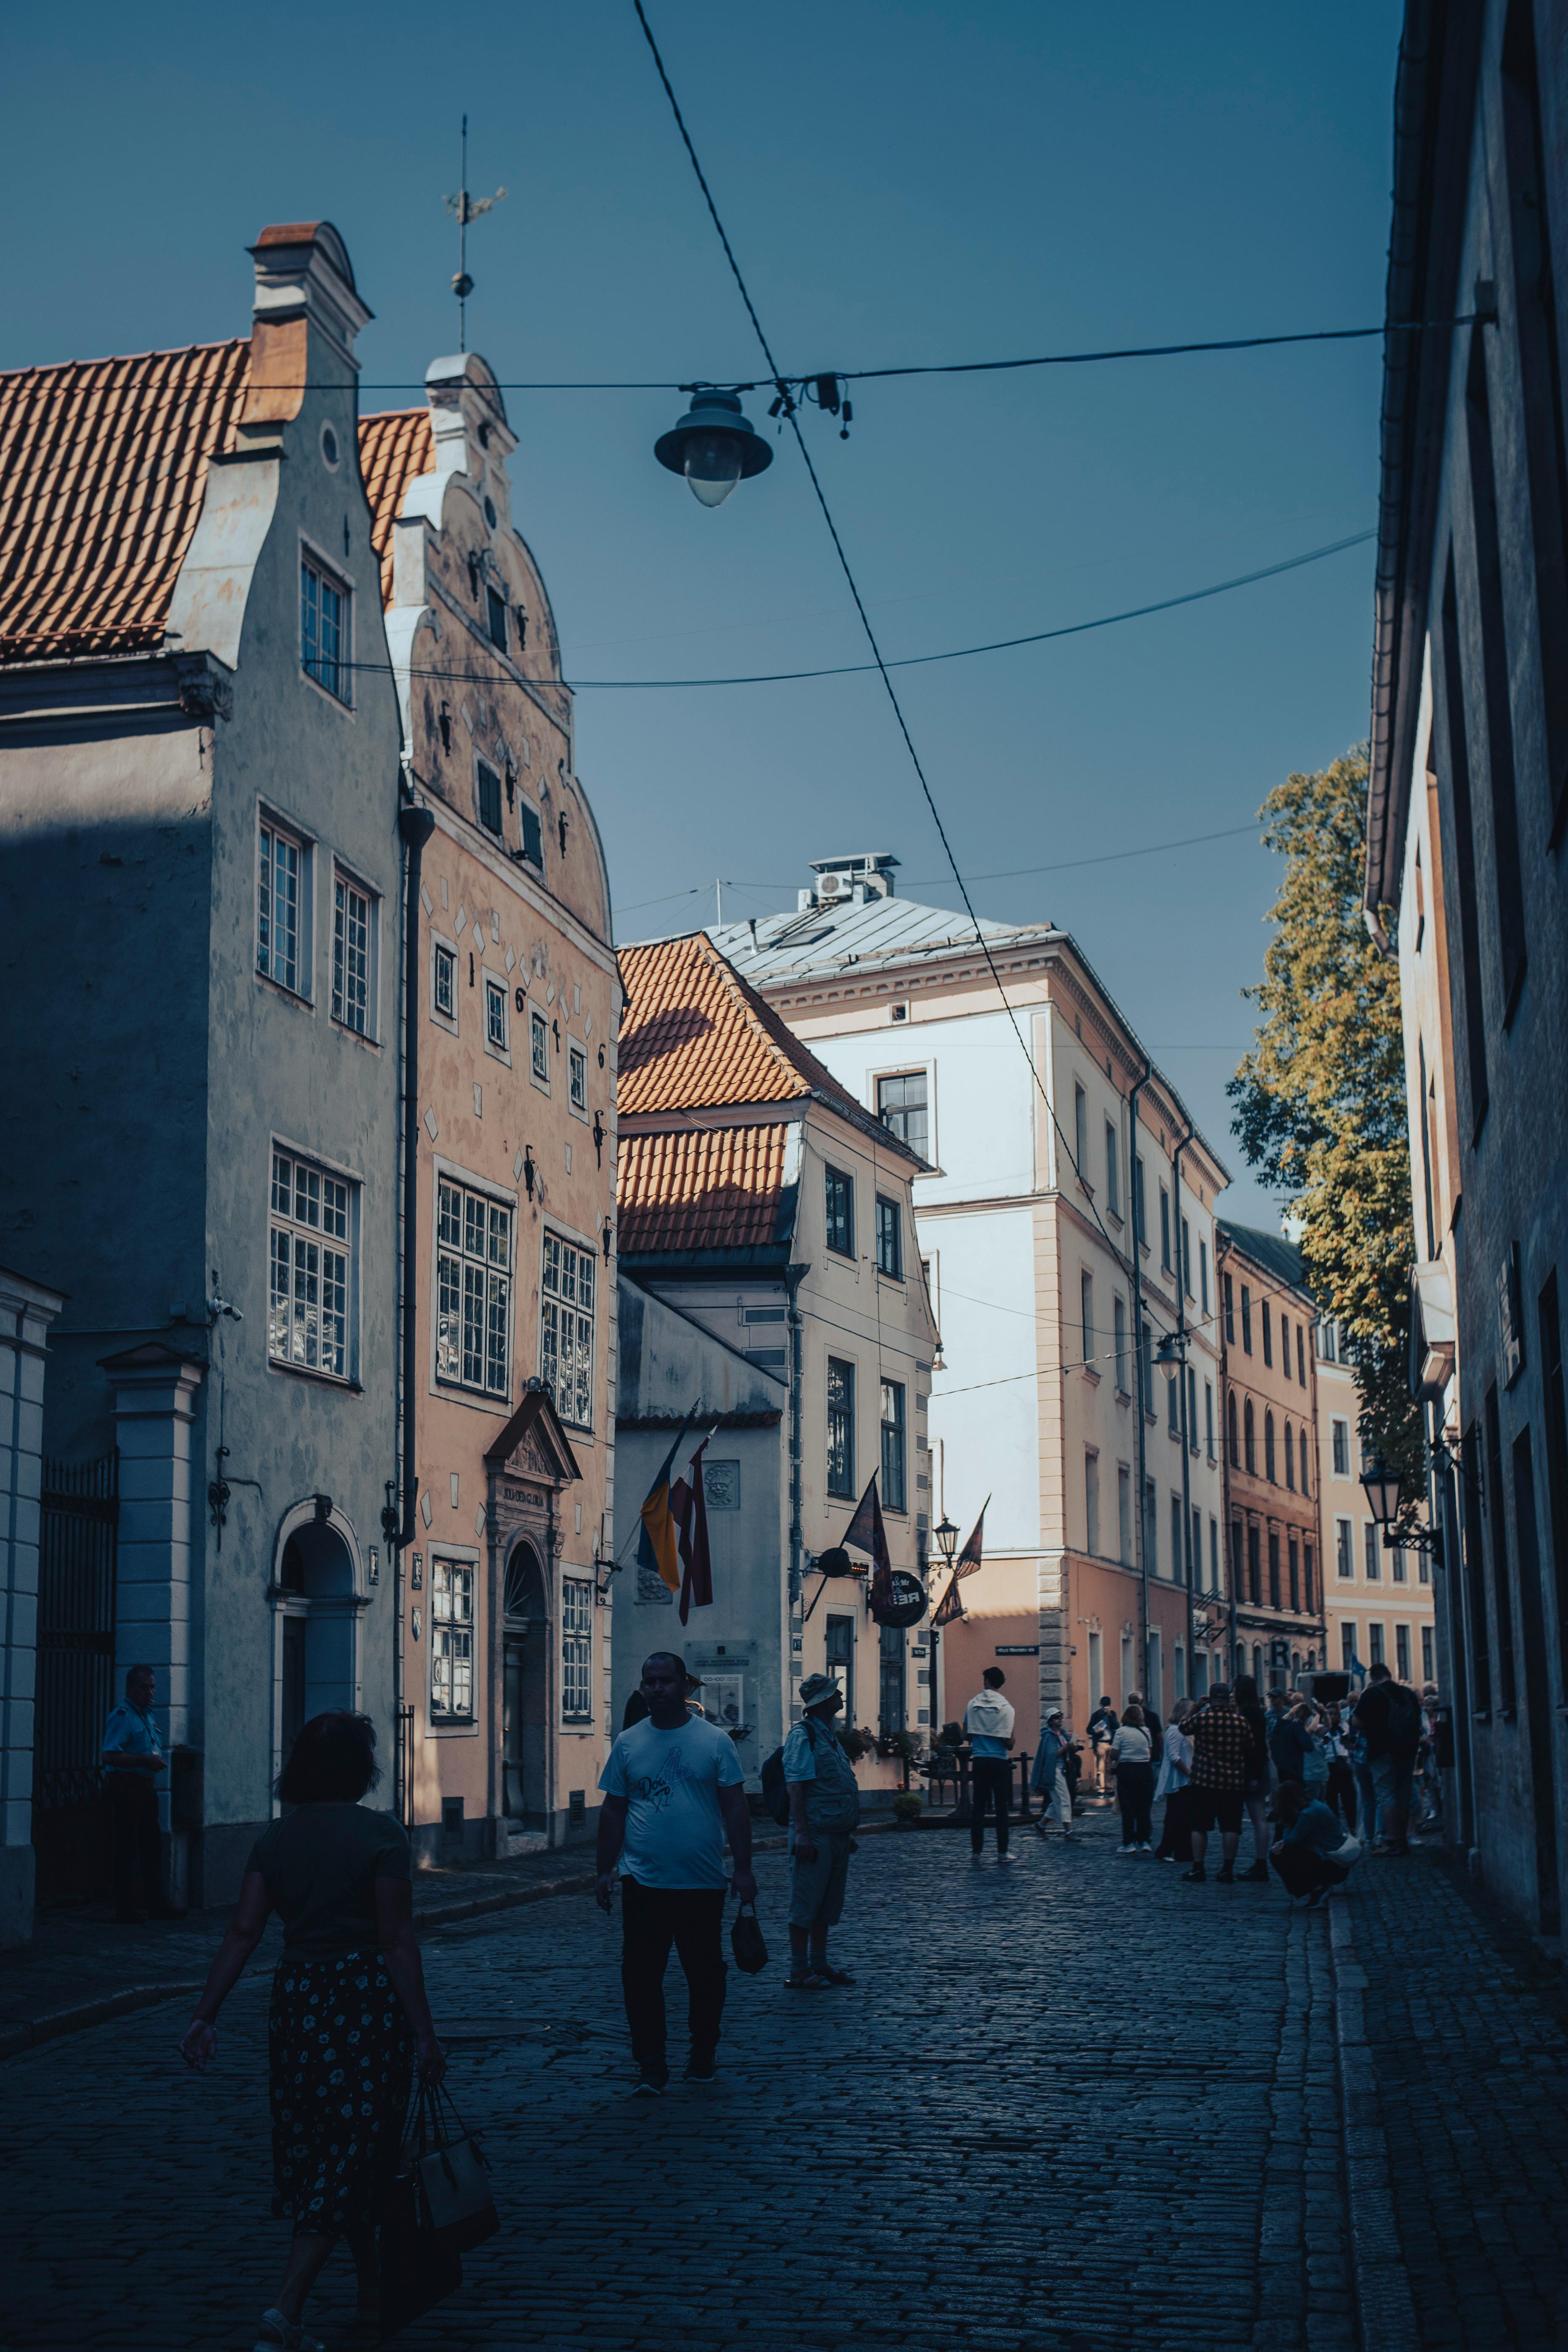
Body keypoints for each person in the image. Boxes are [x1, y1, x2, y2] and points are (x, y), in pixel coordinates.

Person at [178, 1712, 443, 2351]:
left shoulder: (275, 1839)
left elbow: (243, 1931)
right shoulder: (382, 1833)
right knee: (353, 2150)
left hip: (298, 2002)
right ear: (361, 1768)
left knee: (333, 2144)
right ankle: (285, 2308)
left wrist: (205, 2013)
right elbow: (395, 1937)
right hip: (364, 2004)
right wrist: (425, 2032)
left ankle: (372, 2290)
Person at [596, 1651, 756, 2094]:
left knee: (705, 1974)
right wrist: (604, 1869)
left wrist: (743, 1869)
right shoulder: (629, 1742)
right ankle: (651, 2060)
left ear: (684, 1686)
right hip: (643, 1880)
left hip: (701, 1881)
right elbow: (613, 1810)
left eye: (666, 1681)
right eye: (650, 1681)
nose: (658, 1689)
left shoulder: (714, 1741)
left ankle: (703, 2051)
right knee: (641, 1975)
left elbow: (736, 1808)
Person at [783, 1673, 862, 1987]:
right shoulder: (804, 1736)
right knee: (805, 1903)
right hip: (814, 1835)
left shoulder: (827, 1734)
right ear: (823, 1702)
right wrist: (802, 1833)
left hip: (835, 1833)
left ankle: (819, 1963)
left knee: (827, 1903)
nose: (841, 1697)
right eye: (835, 1694)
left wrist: (844, 1829)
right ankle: (798, 1969)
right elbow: (796, 1786)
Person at [100, 1663, 185, 1922]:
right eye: (143, 1687)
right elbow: (110, 1755)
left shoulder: (147, 1715)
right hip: (126, 1786)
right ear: (130, 1688)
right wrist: (144, 1761)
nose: (149, 1693)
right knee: (127, 1847)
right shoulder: (123, 1716)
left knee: (152, 1846)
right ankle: (124, 1909)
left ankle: (156, 1904)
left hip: (146, 1788)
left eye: (152, 1687)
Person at [1351, 1660, 1422, 1855]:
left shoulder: (1372, 1694)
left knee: (1387, 1795)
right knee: (1404, 1794)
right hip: (1407, 1751)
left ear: (1373, 1677)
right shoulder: (1408, 1693)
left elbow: (1357, 1723)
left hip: (1382, 1751)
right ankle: (1403, 1838)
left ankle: (1392, 1841)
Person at [1182, 1682, 1249, 1884]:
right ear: (1228, 1697)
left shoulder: (1203, 1718)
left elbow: (1182, 1726)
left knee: (1199, 1826)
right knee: (1231, 1827)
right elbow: (1251, 1747)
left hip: (1204, 1780)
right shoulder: (1241, 1722)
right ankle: (1227, 1870)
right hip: (1233, 1782)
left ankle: (1198, 1868)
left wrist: (1196, 1707)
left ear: (1211, 1699)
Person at [1269, 1780, 1359, 1908]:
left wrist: (1285, 1825)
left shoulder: (1309, 1814)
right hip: (1333, 1861)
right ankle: (1314, 1887)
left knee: (1280, 1855)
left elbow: (1292, 1840)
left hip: (1335, 1866)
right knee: (1281, 1850)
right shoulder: (1311, 1806)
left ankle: (1317, 1888)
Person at [964, 1667, 1016, 1860]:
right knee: (1002, 1807)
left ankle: (976, 1851)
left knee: (978, 1807)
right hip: (999, 1761)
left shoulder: (972, 1705)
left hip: (979, 1760)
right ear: (1001, 1683)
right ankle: (1003, 1851)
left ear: (986, 1681)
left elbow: (966, 1734)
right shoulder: (1007, 1709)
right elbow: (1009, 1743)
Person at [1232, 1672, 1273, 1883]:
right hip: (1256, 1769)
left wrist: (1254, 1775)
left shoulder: (1249, 1715)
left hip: (1252, 1770)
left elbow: (1256, 1748)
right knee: (1259, 1818)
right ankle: (1260, 1863)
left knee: (1258, 1818)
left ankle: (1261, 1864)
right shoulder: (1256, 1713)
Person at [1153, 1699, 1194, 1863]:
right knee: (1175, 1816)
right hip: (1179, 1780)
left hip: (1186, 1780)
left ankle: (1183, 1851)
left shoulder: (1185, 1731)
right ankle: (1166, 1849)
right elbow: (1174, 1756)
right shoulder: (1175, 1731)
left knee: (1184, 1818)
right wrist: (1189, 1772)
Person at [1110, 1704, 1155, 1853]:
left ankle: (1129, 1843)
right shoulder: (1146, 1731)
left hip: (1127, 1770)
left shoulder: (1121, 1732)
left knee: (1128, 1807)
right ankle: (1145, 1841)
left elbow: (1115, 1754)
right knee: (1144, 1807)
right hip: (1145, 1769)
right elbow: (1149, 1751)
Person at [1030, 1708, 1075, 1838]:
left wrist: (1072, 1748)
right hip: (1054, 1770)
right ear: (1051, 1721)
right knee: (1064, 1799)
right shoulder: (1049, 1736)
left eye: (1061, 1716)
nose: (1060, 1719)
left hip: (1062, 1770)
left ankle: (1040, 1825)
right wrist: (1066, 1748)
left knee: (1057, 1800)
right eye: (1057, 1717)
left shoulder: (1062, 1734)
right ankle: (1069, 1831)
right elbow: (1052, 1755)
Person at [1322, 1705, 1358, 1831]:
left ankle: (1352, 1826)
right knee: (1331, 1797)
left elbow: (1350, 1744)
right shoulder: (1324, 1729)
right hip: (1330, 1764)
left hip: (1343, 1764)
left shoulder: (1345, 1727)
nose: (1332, 1717)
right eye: (1330, 1714)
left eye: (1334, 1714)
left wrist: (1346, 1741)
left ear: (1339, 1715)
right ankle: (1335, 1827)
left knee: (1348, 1797)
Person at [1087, 1696, 1119, 1789]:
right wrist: (1095, 1732)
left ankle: (1110, 1787)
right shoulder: (1096, 1715)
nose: (1105, 1707)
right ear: (1101, 1705)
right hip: (1100, 1743)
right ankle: (1101, 1787)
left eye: (1107, 1705)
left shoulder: (1112, 1714)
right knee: (1100, 1767)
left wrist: (1110, 1716)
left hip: (1110, 1743)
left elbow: (1117, 1726)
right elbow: (1089, 1729)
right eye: (1104, 1705)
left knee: (1110, 1767)